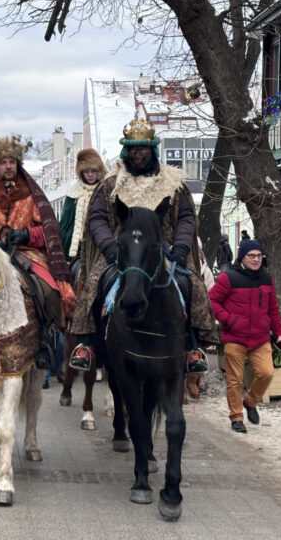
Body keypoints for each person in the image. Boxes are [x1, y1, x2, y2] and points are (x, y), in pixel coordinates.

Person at [70, 118, 218, 374]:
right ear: (127, 150)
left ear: (152, 150)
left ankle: (192, 347)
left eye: (143, 149)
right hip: (122, 249)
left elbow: (185, 218)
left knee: (192, 283)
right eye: (134, 149)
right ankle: (89, 344)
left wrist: (182, 247)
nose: (138, 155)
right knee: (94, 282)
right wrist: (110, 248)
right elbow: (97, 218)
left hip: (165, 248)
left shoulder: (173, 183)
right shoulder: (110, 184)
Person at [0, 136, 75, 369]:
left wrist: (26, 235)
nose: (8, 166)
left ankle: (47, 337)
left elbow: (48, 229)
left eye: (12, 162)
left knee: (50, 290)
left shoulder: (30, 195)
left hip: (27, 254)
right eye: (3, 162)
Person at [209, 239, 281, 433]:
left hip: (260, 338)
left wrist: (279, 333)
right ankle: (236, 417)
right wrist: (229, 320)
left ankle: (250, 402)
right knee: (234, 380)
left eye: (259, 256)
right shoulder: (228, 278)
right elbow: (212, 301)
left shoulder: (267, 279)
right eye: (252, 256)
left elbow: (273, 309)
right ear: (242, 257)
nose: (256, 259)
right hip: (235, 337)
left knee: (267, 373)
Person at [57, 149, 106, 370]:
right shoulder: (73, 195)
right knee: (75, 283)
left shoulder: (108, 191)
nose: (90, 175)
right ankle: (77, 336)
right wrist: (67, 252)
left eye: (94, 171)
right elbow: (64, 227)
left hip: (105, 250)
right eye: (86, 172)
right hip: (79, 253)